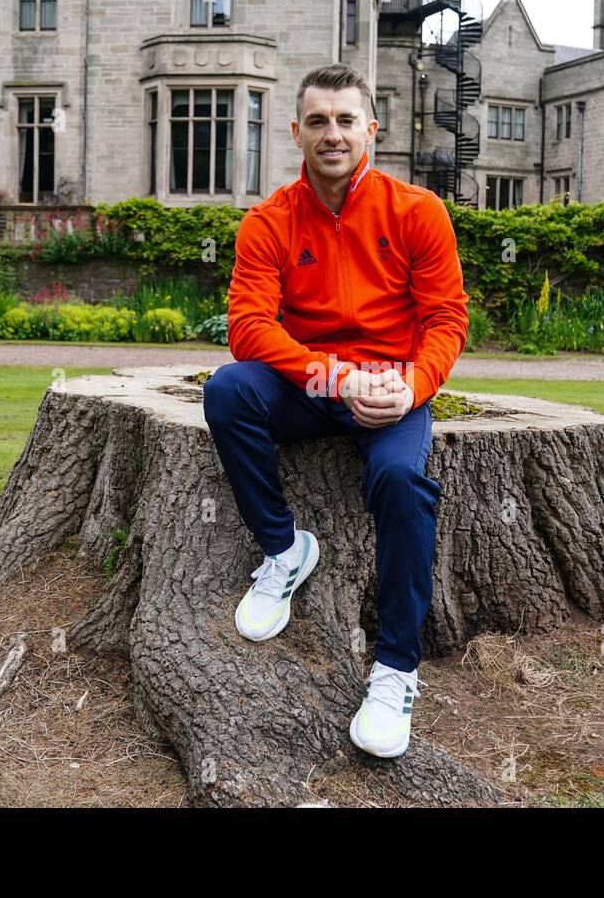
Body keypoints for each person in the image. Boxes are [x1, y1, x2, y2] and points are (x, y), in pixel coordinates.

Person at [202, 63, 469, 758]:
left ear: (370, 131)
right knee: (228, 389)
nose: (332, 133)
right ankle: (285, 550)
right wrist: (329, 374)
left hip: (389, 390)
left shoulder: (418, 212)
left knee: (400, 484)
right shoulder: (268, 221)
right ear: (296, 131)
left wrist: (411, 388)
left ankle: (396, 669)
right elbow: (248, 327)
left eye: (346, 120)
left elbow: (446, 319)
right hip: (311, 383)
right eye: (318, 121)